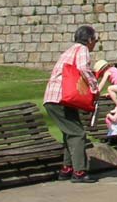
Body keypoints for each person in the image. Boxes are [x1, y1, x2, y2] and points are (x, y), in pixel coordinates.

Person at [42, 25, 101, 182]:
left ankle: (67, 168)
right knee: (78, 133)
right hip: (62, 98)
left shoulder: (69, 51)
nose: (95, 44)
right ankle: (79, 172)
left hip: (54, 98)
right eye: (95, 40)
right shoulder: (82, 49)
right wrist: (94, 87)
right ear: (89, 39)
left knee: (70, 133)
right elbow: (83, 68)